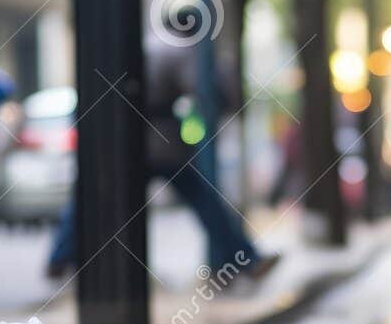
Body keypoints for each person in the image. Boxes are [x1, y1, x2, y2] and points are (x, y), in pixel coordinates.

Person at [47, 27, 278, 282]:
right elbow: (202, 90)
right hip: (161, 145)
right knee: (206, 201)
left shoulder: (147, 43)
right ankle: (246, 259)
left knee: (92, 196)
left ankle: (60, 257)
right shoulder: (179, 50)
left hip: (128, 144)